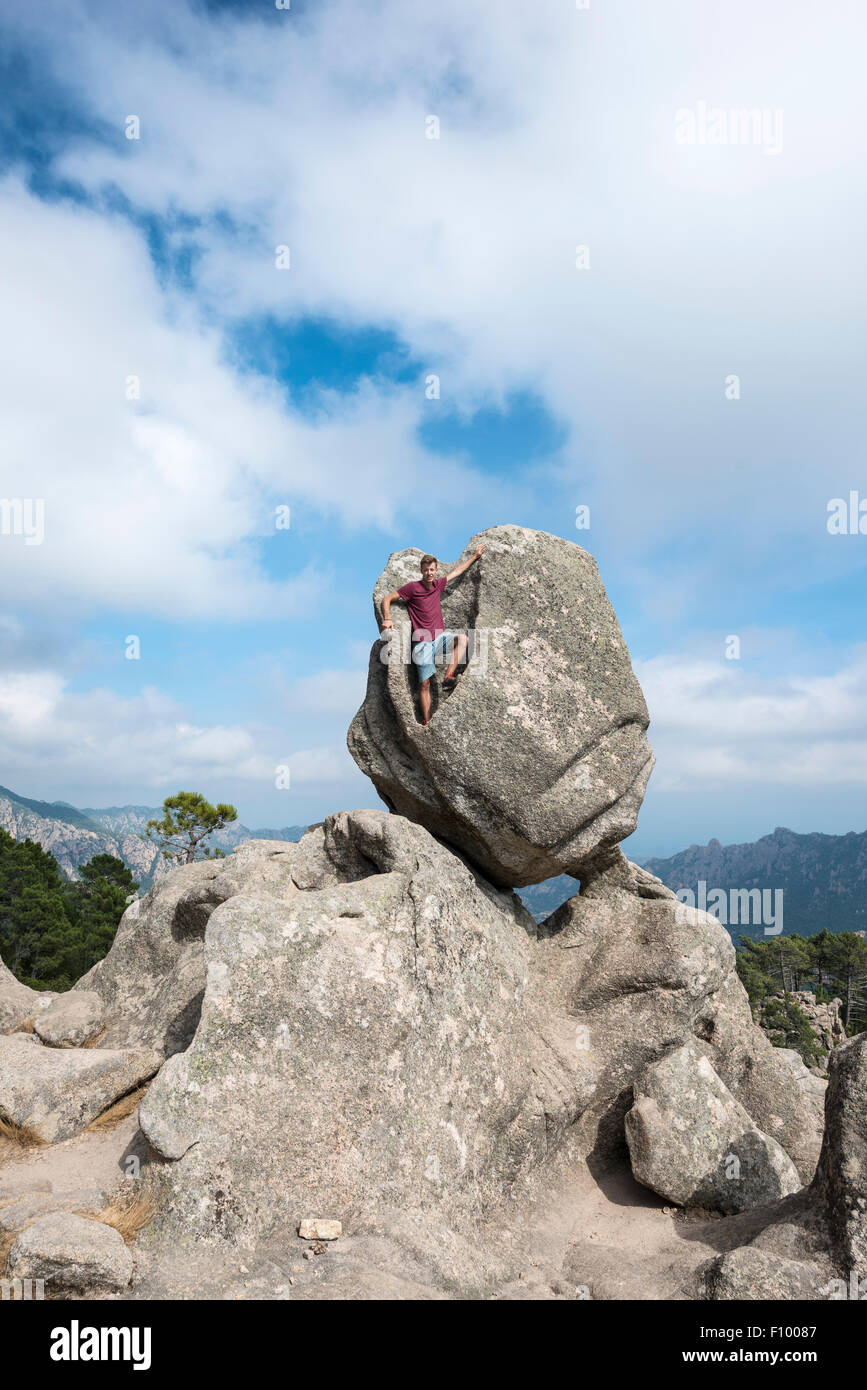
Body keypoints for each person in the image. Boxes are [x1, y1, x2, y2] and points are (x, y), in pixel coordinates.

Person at [381, 544, 486, 724]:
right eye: (425, 570)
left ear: (436, 571)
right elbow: (387, 598)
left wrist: (475, 556)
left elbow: (457, 572)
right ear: (421, 571)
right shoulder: (412, 588)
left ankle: (448, 677)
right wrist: (388, 618)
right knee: (425, 684)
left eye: (431, 570)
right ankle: (427, 722)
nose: (429, 573)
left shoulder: (438, 586)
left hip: (439, 638)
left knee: (463, 639)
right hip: (421, 642)